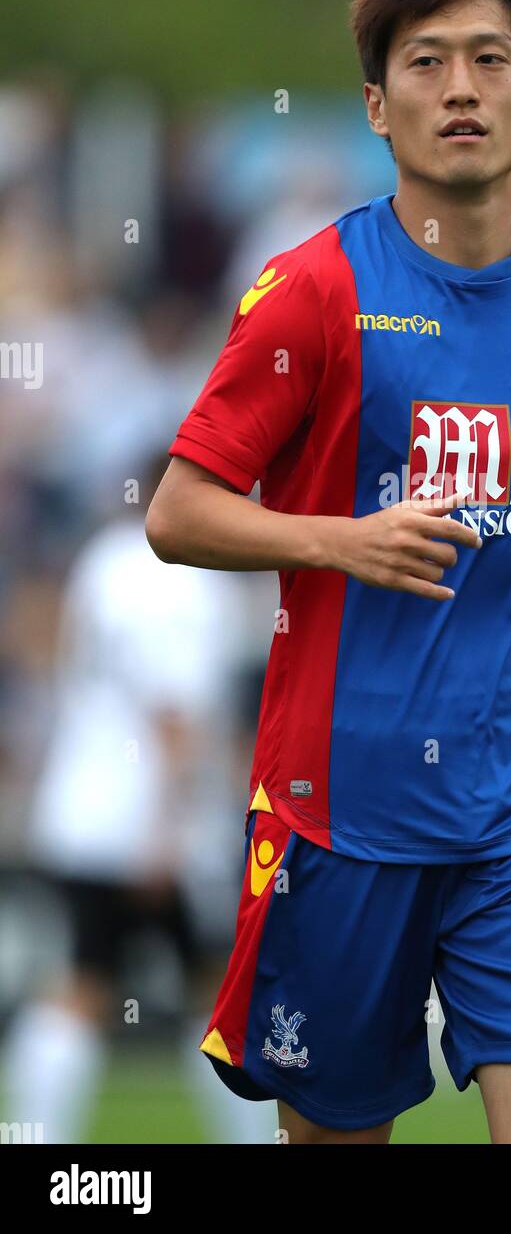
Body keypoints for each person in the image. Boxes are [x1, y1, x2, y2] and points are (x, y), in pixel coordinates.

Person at [146, 0, 511, 1145]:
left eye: (488, 59)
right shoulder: (313, 289)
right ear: (377, 106)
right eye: (425, 62)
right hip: (339, 800)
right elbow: (176, 511)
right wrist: (338, 539)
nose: (460, 88)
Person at [2, 453, 270, 1144]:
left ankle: (37, 1136)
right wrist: (168, 830)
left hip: (83, 811)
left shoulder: (101, 561)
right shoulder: (181, 578)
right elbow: (173, 714)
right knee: (213, 994)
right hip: (146, 825)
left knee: (83, 983)